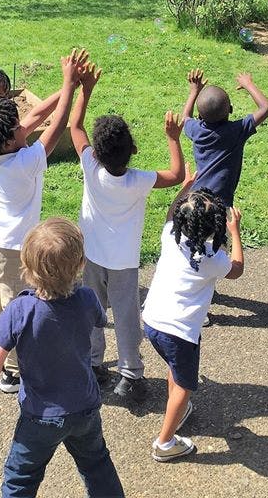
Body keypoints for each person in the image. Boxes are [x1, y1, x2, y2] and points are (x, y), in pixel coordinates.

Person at [0, 49, 87, 393]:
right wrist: (68, 84)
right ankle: (12, 370)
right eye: (18, 127)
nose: (23, 127)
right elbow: (56, 126)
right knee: (15, 307)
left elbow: (40, 117)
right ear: (7, 139)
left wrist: (70, 86)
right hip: (14, 248)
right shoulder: (25, 161)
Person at [0, 218, 125, 498]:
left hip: (40, 415)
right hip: (85, 407)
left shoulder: (20, 310)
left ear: (27, 267)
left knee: (21, 477)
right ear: (81, 264)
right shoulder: (87, 299)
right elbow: (98, 320)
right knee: (97, 465)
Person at [67, 61, 185, 402]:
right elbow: (177, 175)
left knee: (92, 311)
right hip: (124, 263)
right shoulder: (139, 181)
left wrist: (85, 88)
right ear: (132, 150)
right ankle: (130, 376)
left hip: (90, 255)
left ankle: (93, 365)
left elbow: (74, 125)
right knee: (127, 317)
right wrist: (173, 138)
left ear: (97, 154)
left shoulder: (90, 167)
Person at [141, 172, 246, 462]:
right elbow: (237, 269)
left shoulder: (168, 236)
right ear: (214, 229)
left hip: (152, 321)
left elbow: (170, 213)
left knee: (175, 370)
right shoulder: (212, 259)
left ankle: (178, 410)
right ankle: (164, 443)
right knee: (185, 384)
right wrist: (235, 231)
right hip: (180, 332)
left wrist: (186, 185)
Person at [0, 65, 62, 301]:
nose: (4, 99)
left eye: (6, 95)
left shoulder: (3, 127)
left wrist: (65, 90)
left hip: (4, 195)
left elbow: (35, 116)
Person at [182, 69, 268, 208]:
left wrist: (194, 91)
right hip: (221, 203)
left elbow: (185, 118)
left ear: (199, 116)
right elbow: (266, 107)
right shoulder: (237, 131)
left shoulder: (196, 130)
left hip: (195, 197)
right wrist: (248, 84)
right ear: (230, 109)